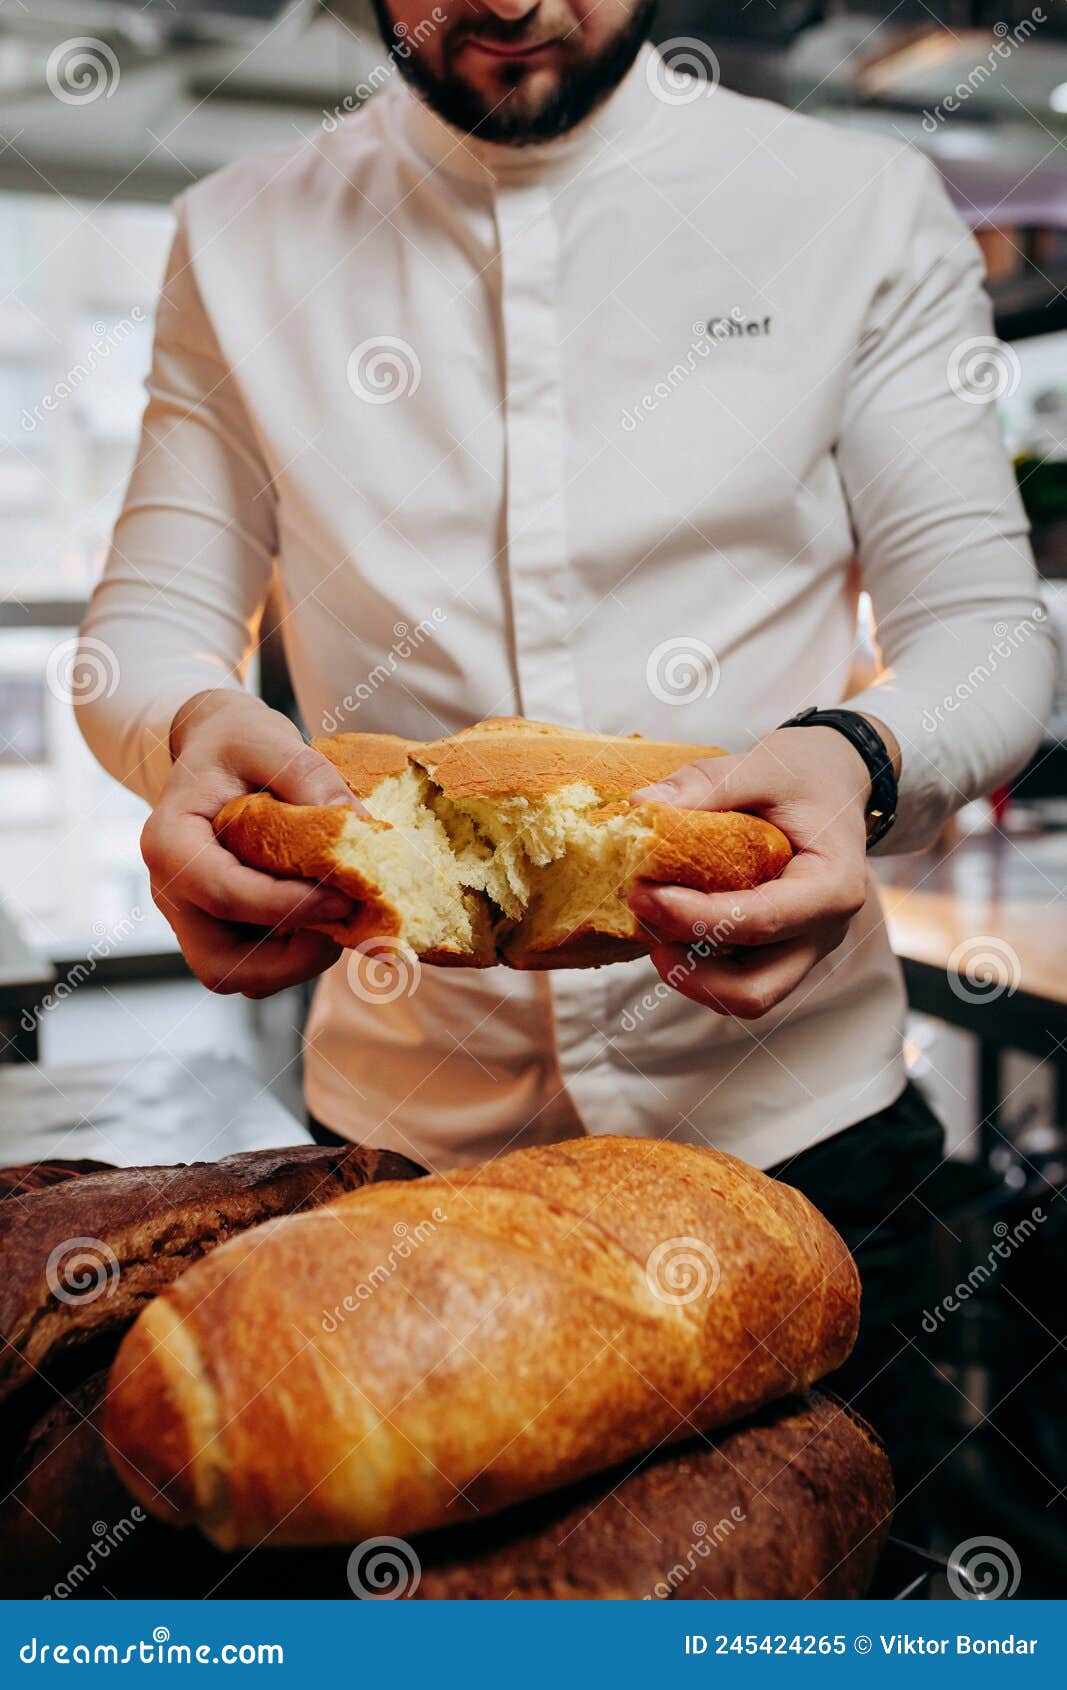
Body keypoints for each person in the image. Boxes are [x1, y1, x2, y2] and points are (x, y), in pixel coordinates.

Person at [77, 0, 1056, 1526]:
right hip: (406, 1159)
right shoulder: (240, 234)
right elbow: (143, 626)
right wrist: (189, 736)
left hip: (810, 1150)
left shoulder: (855, 212)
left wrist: (859, 754)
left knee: (868, 1583)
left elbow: (993, 633)